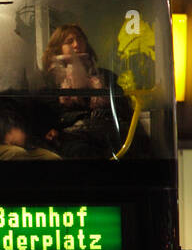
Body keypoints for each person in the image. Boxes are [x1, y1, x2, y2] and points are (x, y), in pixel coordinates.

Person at [38, 24, 132, 159]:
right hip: (69, 137)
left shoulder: (105, 76)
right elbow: (44, 113)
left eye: (80, 39)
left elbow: (123, 108)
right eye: (69, 42)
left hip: (107, 133)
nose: (76, 45)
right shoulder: (49, 79)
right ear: (58, 48)